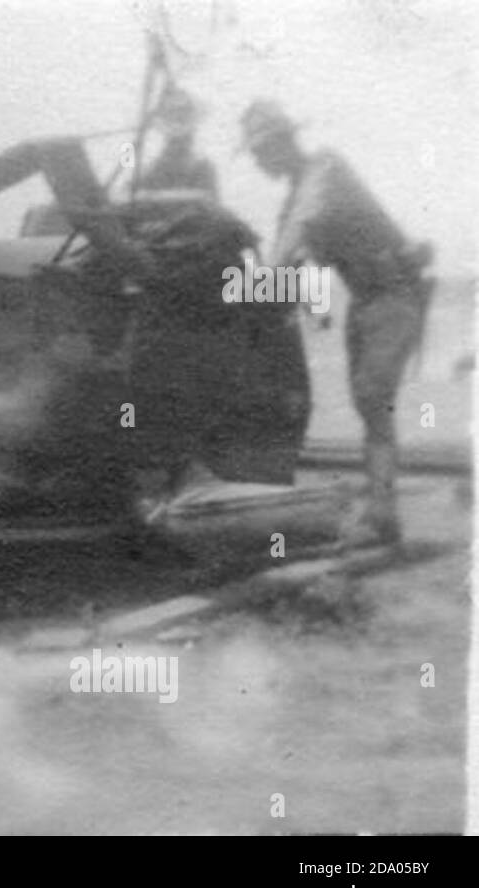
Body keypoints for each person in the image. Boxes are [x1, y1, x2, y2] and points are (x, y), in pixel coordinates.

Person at [240, 99, 434, 546]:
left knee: (372, 399)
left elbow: (296, 236)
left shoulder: (325, 168)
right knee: (370, 406)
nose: (257, 162)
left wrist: (262, 284)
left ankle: (382, 514)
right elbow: (288, 260)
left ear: (283, 143)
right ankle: (383, 515)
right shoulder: (295, 193)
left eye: (261, 152)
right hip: (367, 302)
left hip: (394, 296)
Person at [140, 85, 218, 200]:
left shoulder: (203, 167)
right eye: (172, 114)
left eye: (183, 114)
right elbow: (130, 196)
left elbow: (211, 205)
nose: (177, 118)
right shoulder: (152, 170)